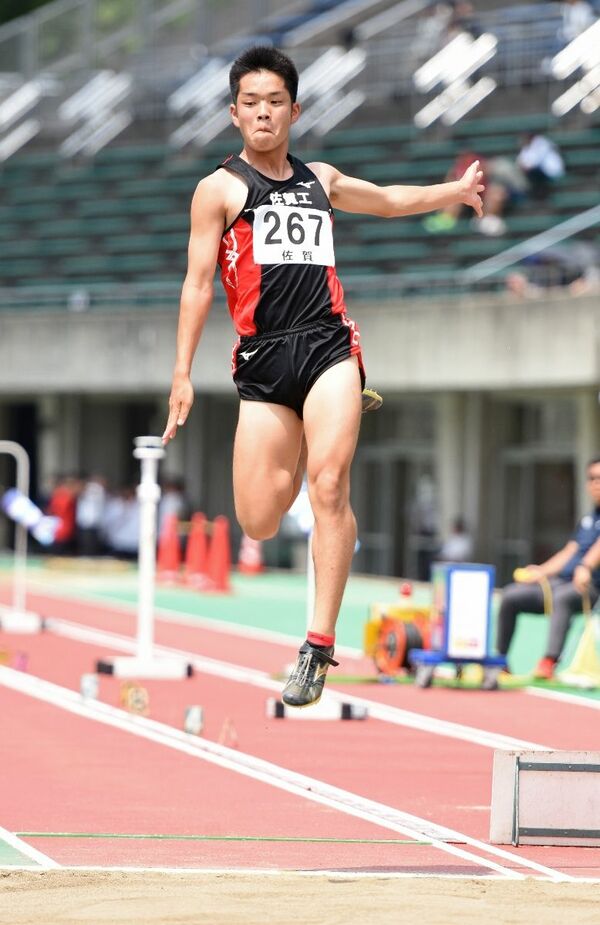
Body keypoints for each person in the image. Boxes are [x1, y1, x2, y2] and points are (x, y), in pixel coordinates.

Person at [161, 45, 484, 707]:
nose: (262, 113)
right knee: (258, 519)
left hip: (330, 346)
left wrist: (454, 191)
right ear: (233, 113)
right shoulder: (218, 191)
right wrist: (182, 373)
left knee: (329, 483)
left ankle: (318, 643)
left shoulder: (322, 181)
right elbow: (197, 286)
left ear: (294, 110)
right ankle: (308, 432)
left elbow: (391, 200)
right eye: (250, 102)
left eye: (274, 101)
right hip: (262, 359)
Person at [496, 455, 600, 680]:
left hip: (589, 589)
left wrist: (586, 566)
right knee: (511, 595)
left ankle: (549, 662)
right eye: (592, 478)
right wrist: (541, 571)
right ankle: (500, 662)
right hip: (561, 582)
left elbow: (596, 550)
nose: (596, 483)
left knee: (562, 597)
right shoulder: (588, 520)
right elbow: (569, 552)